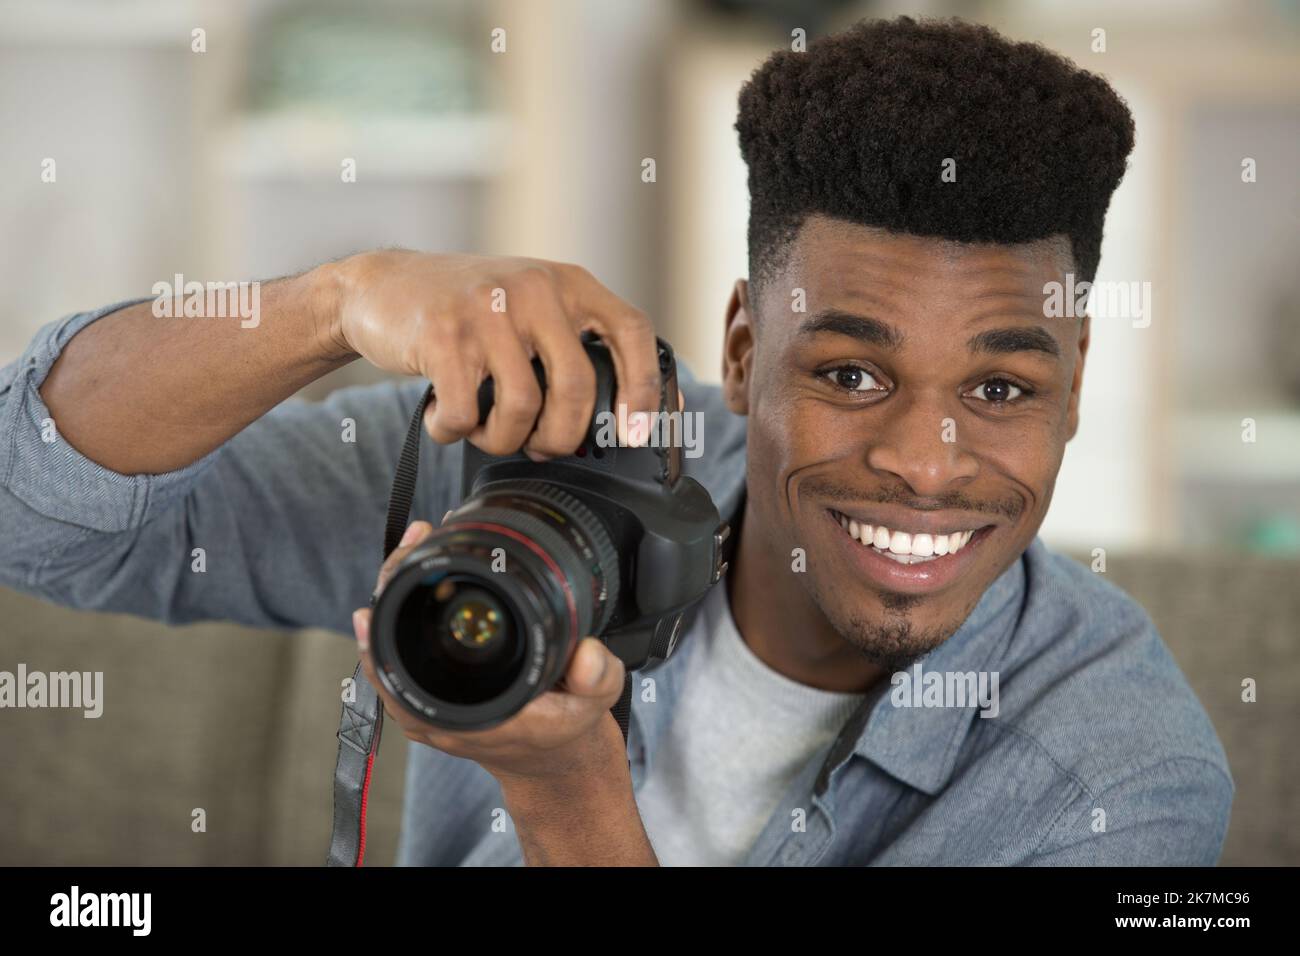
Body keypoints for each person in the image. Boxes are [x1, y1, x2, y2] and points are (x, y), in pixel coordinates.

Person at [0, 15, 1231, 866]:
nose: (924, 459)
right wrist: (338, 298)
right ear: (742, 350)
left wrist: (565, 795)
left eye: (1002, 388)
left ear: (1076, 387)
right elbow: (34, 511)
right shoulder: (536, 454)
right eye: (850, 373)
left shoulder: (1117, 778)